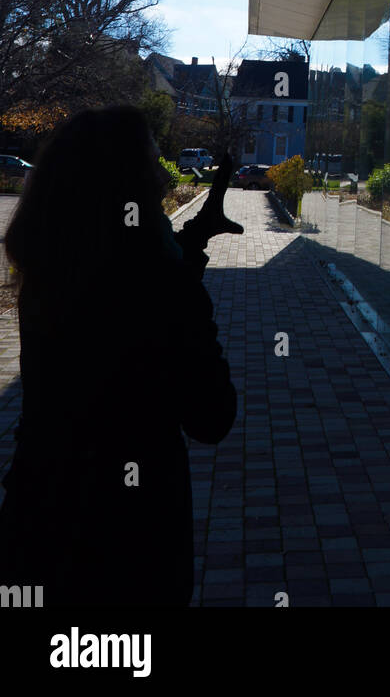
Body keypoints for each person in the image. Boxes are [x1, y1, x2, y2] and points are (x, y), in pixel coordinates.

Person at [0, 106, 242, 606]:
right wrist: (185, 285)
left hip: (40, 517)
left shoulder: (48, 274)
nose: (161, 177)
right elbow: (212, 415)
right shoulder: (157, 286)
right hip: (131, 541)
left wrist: (188, 243)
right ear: (126, 186)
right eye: (151, 163)